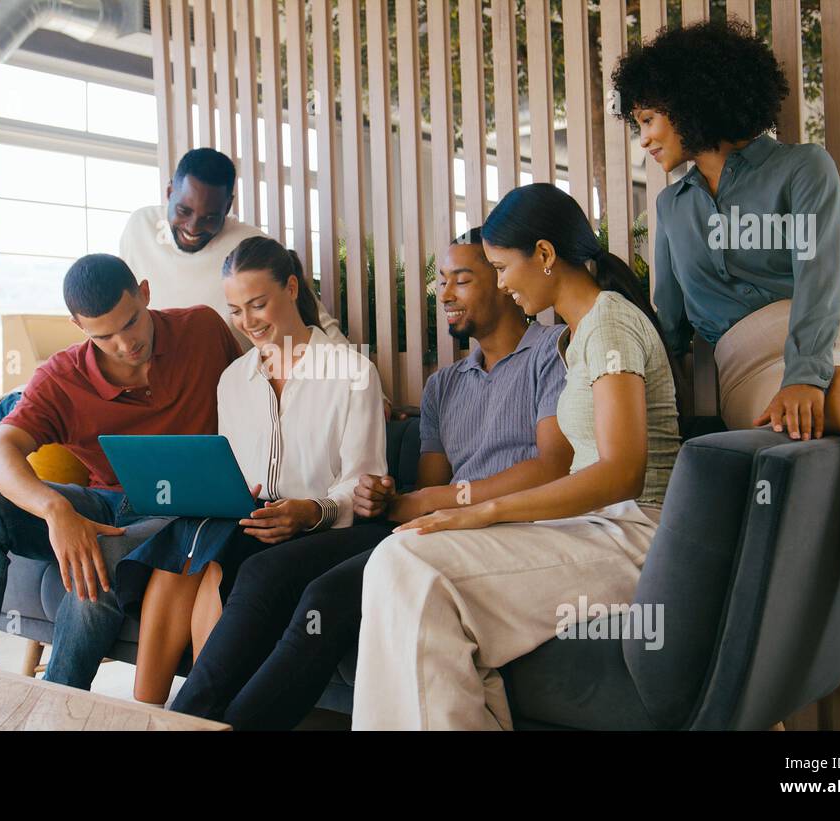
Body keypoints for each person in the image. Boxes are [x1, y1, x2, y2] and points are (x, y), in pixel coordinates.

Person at [613, 19, 840, 722]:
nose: (644, 137)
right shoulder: (670, 208)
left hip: (837, 330)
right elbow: (674, 323)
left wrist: (811, 370)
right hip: (755, 355)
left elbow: (819, 275)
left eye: (648, 119)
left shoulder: (803, 167)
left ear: (692, 100)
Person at [167, 228, 574, 728]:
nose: (444, 293)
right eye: (441, 280)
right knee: (225, 559)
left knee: (306, 589)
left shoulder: (554, 352)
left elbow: (555, 467)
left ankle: (191, 722)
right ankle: (182, 718)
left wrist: (348, 506)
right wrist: (389, 498)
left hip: (484, 532)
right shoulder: (443, 386)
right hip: (428, 531)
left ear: (505, 278)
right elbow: (422, 492)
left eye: (461, 279)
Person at [351, 184, 681, 730]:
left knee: (410, 564)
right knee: (404, 556)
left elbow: (623, 474)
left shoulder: (610, 326)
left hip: (636, 533)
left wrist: (483, 513)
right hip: (597, 528)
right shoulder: (581, 332)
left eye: (502, 267)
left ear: (546, 256)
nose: (501, 283)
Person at [0, 254, 240, 690]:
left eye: (131, 323)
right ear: (79, 327)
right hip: (103, 503)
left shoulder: (202, 329)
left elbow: (257, 387)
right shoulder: (63, 376)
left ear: (145, 294)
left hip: (181, 515)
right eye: (104, 335)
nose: (124, 344)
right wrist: (57, 510)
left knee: (94, 565)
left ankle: (56, 707)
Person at [110, 236, 388, 707]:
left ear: (293, 288)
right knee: (187, 548)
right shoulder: (233, 380)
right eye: (235, 310)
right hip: (250, 520)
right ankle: (150, 714)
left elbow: (360, 486)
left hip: (318, 529)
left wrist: (307, 510)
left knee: (210, 555)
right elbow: (235, 470)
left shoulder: (351, 372)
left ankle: (192, 713)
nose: (247, 322)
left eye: (257, 305)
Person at [119, 147, 347, 351]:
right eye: (184, 211)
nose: (193, 227)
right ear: (170, 192)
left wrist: (362, 381)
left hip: (227, 379)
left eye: (209, 217)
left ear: (227, 206)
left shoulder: (249, 244)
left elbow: (315, 319)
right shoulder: (140, 226)